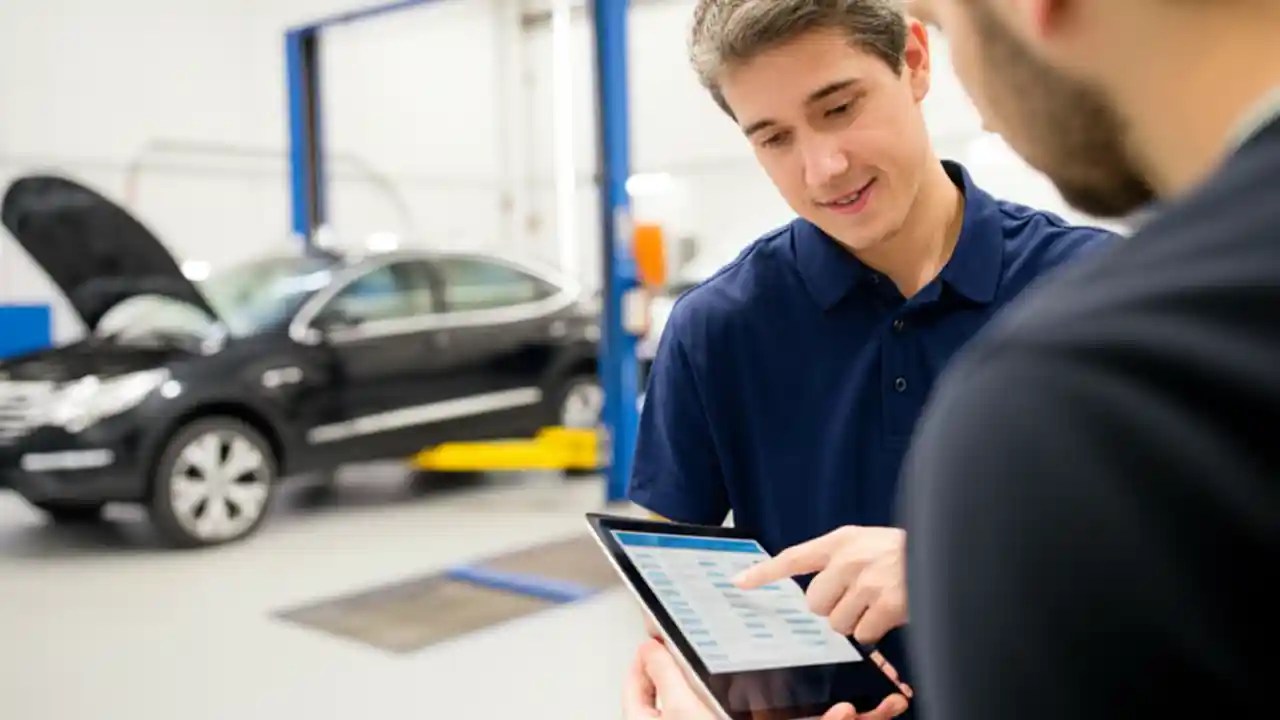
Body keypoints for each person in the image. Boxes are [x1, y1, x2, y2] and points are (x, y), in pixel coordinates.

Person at [621, 0, 1117, 717]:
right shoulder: (716, 329)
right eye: (773, 138)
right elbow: (670, 596)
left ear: (914, 62)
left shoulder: (1092, 293)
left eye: (840, 108)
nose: (823, 168)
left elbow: (1197, 559)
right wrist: (694, 692)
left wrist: (946, 566)